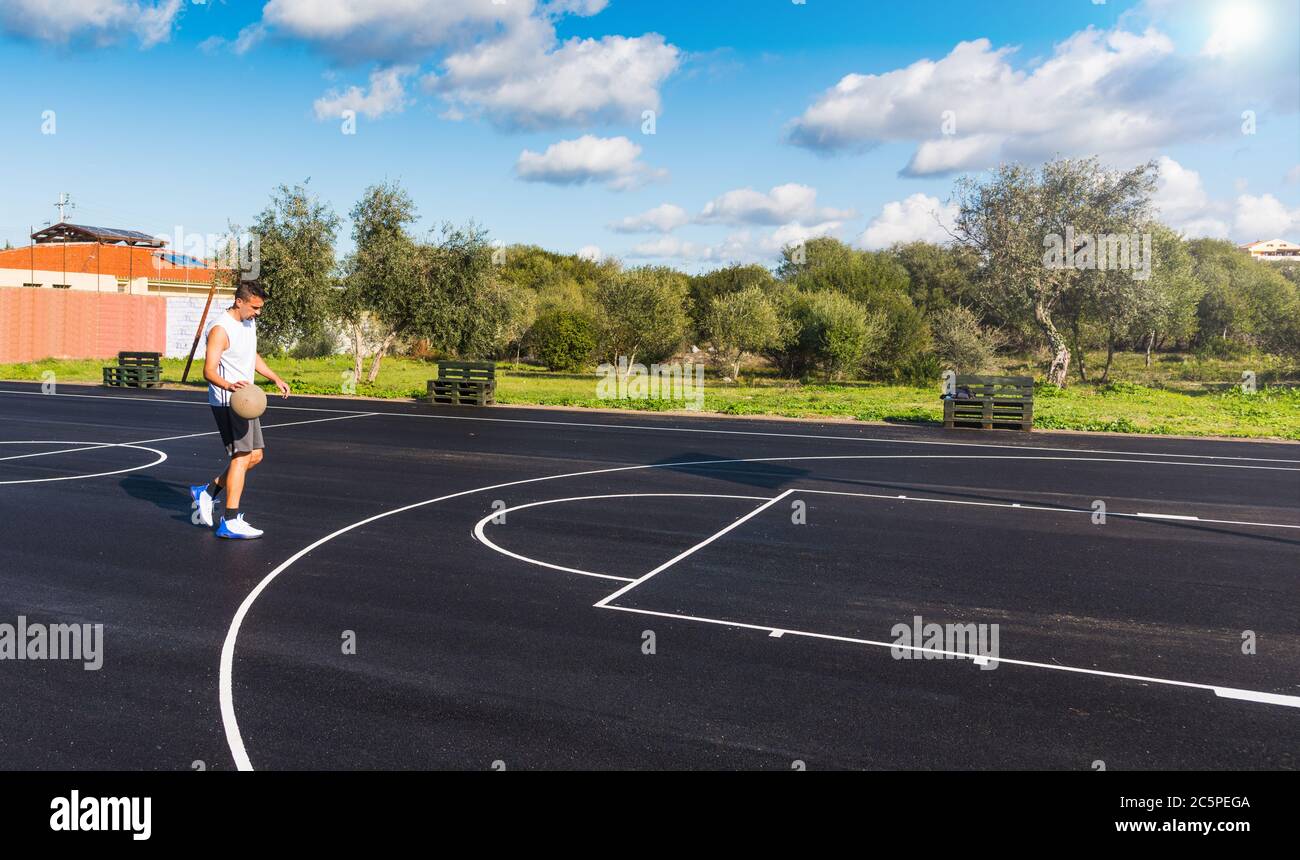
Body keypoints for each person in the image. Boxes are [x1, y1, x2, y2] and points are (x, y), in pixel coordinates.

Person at [189, 281, 290, 539]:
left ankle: (207, 492)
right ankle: (230, 520)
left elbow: (250, 355)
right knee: (242, 456)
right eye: (255, 307)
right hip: (228, 401)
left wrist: (274, 377)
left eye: (260, 308)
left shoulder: (248, 323)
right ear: (239, 302)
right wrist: (229, 385)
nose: (258, 312)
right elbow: (208, 371)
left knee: (255, 456)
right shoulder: (220, 329)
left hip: (246, 401)